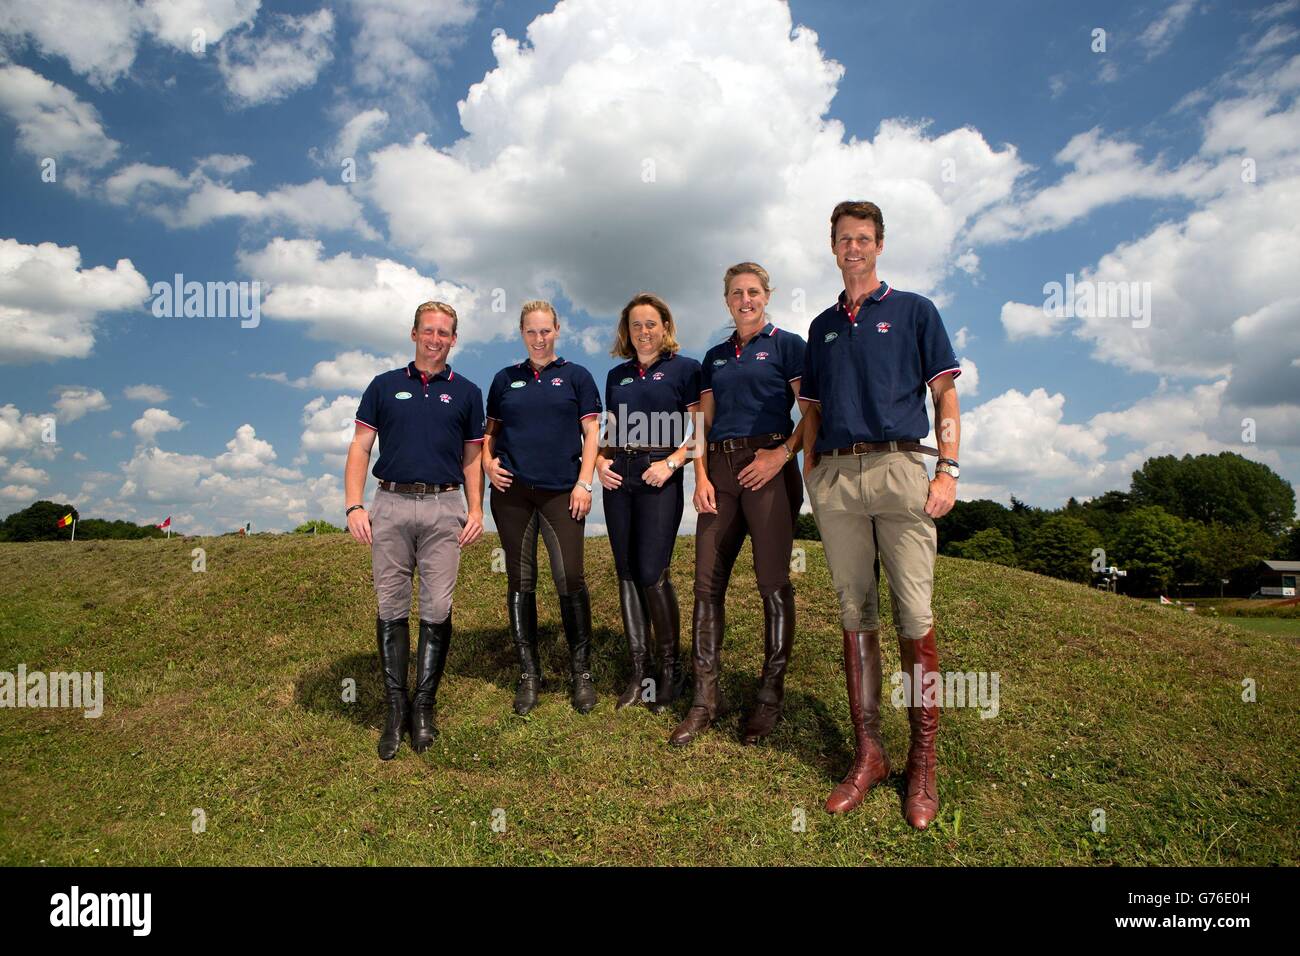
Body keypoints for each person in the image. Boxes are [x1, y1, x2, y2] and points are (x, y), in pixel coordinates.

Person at [799, 200, 961, 830]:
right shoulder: (822, 327)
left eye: (863, 238)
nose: (854, 248)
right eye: (843, 239)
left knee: (914, 614)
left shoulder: (915, 311)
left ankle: (923, 762)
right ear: (833, 247)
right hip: (836, 476)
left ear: (880, 244)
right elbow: (809, 408)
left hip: (900, 469)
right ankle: (870, 753)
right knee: (853, 612)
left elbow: (945, 392)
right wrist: (810, 469)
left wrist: (948, 468)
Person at [669, 262, 807, 747]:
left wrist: (782, 454)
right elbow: (703, 424)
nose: (744, 299)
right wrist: (700, 474)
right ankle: (706, 702)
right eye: (735, 293)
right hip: (720, 472)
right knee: (706, 583)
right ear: (726, 300)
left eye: (752, 292)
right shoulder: (713, 357)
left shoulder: (788, 345)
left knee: (772, 581)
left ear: (766, 295)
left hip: (768, 464)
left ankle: (769, 698)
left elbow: (814, 412)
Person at [344, 301, 486, 760]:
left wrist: (477, 510)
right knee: (390, 606)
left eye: (444, 332)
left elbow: (472, 458)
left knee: (437, 607)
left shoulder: (467, 392)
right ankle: (394, 710)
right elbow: (360, 447)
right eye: (428, 330)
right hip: (390, 503)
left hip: (445, 505)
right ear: (414, 334)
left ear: (453, 339)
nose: (435, 338)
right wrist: (354, 505)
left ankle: (423, 708)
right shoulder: (384, 386)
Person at [483, 301, 603, 715]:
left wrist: (584, 483)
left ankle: (581, 672)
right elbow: (490, 434)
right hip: (512, 493)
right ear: (521, 333)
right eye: (531, 332)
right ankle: (529, 674)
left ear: (557, 331)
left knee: (569, 575)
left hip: (561, 491)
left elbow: (592, 433)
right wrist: (486, 462)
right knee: (520, 578)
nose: (539, 339)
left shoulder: (577, 377)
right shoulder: (504, 380)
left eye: (545, 332)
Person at [596, 293, 702, 714]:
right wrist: (601, 463)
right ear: (627, 331)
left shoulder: (686, 369)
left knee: (652, 571)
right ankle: (639, 673)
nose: (644, 332)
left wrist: (673, 463)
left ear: (665, 326)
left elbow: (702, 429)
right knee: (625, 572)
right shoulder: (615, 376)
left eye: (651, 324)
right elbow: (610, 428)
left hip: (660, 474)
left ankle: (670, 670)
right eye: (636, 325)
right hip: (618, 476)